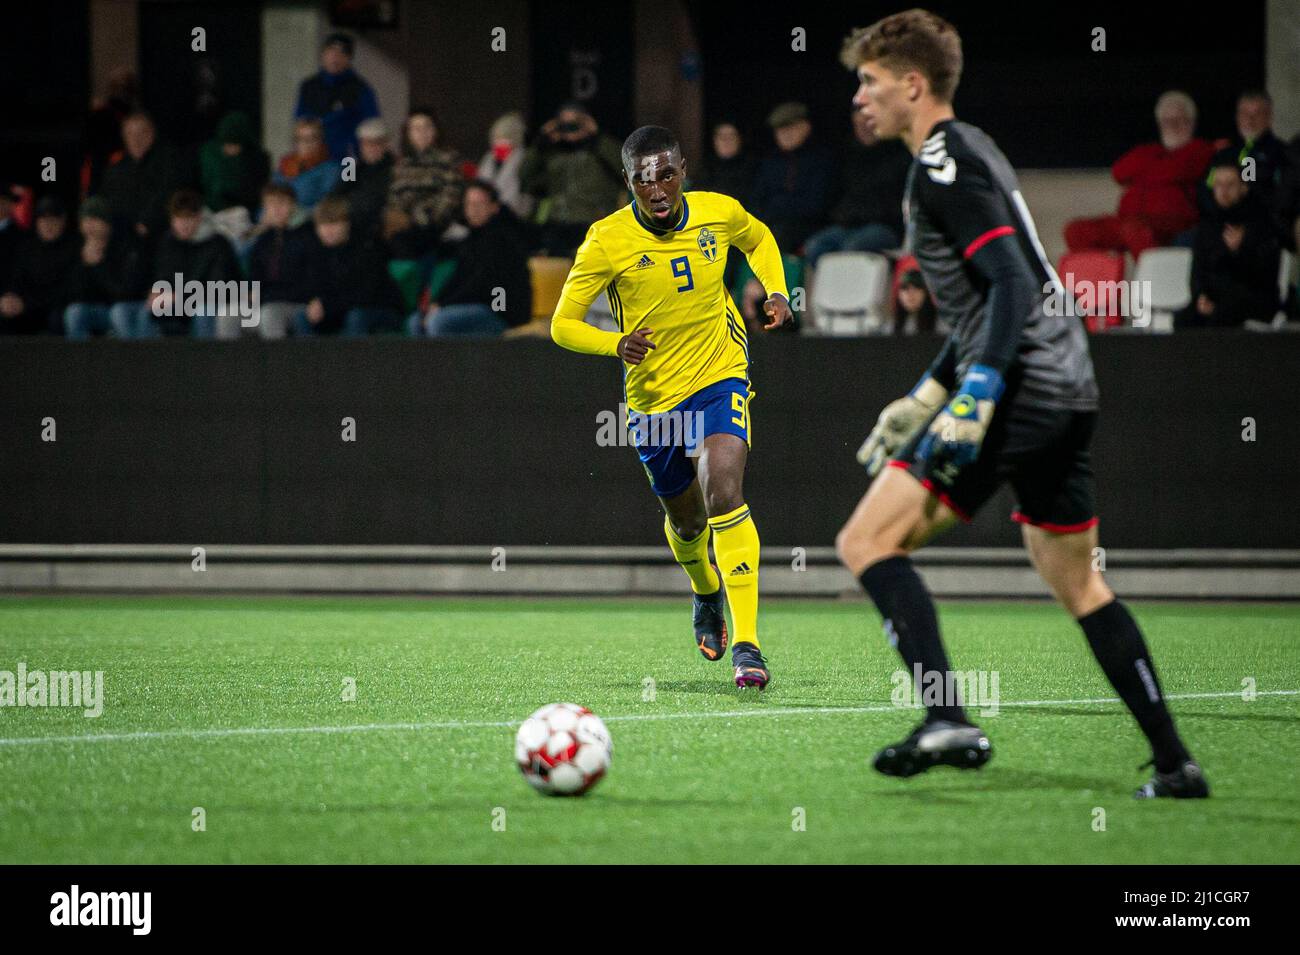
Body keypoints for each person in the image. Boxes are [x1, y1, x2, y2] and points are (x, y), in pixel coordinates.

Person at [837, 10, 1206, 798]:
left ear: (912, 83)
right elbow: (995, 296)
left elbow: (1009, 280)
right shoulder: (972, 152)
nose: (859, 99)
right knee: (1078, 582)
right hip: (1066, 388)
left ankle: (946, 715)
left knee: (867, 539)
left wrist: (978, 389)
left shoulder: (941, 159)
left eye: (869, 82)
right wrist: (927, 393)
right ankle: (1176, 763)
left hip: (1022, 388)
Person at [549, 125, 793, 689]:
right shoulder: (605, 241)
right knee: (686, 522)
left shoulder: (717, 212)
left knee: (724, 490)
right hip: (653, 398)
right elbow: (562, 324)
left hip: (719, 374)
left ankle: (749, 645)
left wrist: (775, 289)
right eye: (642, 178)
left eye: (665, 173)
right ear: (629, 182)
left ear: (683, 170)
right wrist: (614, 343)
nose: (655, 188)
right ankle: (705, 589)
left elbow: (757, 238)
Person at [1064, 91, 1216, 260]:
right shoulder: (1149, 151)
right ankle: (1099, 282)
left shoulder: (1200, 149)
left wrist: (1145, 170)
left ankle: (1156, 280)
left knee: (1135, 230)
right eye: (1167, 121)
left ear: (1191, 123)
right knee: (1075, 231)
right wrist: (1155, 166)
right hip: (1128, 221)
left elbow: (1175, 171)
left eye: (1178, 120)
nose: (1172, 126)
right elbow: (1119, 172)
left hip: (1171, 224)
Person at [411, 180, 531, 337]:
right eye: (469, 204)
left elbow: (483, 284)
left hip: (500, 312)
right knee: (416, 321)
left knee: (439, 322)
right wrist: (437, 303)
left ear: (494, 207)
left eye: (479, 204)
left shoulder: (502, 240)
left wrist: (443, 305)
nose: (473, 210)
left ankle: (445, 362)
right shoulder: (471, 239)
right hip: (473, 307)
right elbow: (458, 278)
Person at [1178, 158, 1281, 328]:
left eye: (1230, 184)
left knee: (1222, 316)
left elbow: (1264, 275)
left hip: (1253, 299)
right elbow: (1198, 270)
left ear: (1243, 187)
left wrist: (1240, 250)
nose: (1223, 190)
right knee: (1184, 319)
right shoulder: (1207, 226)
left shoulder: (1260, 223)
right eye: (1218, 184)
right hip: (1215, 297)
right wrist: (1201, 296)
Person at [803, 108, 912, 265]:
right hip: (847, 226)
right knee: (815, 246)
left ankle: (846, 290)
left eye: (867, 124)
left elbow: (898, 204)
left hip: (884, 227)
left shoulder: (898, 156)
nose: (864, 129)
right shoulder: (848, 156)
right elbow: (835, 197)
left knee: (852, 248)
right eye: (858, 125)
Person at [131, 188, 241, 338]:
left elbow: (221, 288)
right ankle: (147, 361)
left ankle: (208, 360)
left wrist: (179, 297)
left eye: (188, 218)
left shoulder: (218, 243)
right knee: (145, 312)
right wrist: (156, 292)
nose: (183, 224)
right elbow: (162, 277)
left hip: (212, 301)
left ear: (199, 217)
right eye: (178, 218)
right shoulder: (168, 243)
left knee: (204, 312)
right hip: (180, 303)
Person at [520, 102, 626, 255]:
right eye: (565, 124)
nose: (570, 129)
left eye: (575, 123)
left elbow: (624, 166)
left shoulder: (601, 149)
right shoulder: (552, 153)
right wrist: (540, 143)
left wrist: (597, 137)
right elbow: (524, 177)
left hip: (593, 222)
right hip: (557, 223)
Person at [295, 197, 403, 337]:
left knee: (356, 317)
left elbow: (366, 294)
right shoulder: (318, 252)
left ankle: (352, 359)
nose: (328, 230)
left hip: (381, 309)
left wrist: (327, 305)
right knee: (303, 317)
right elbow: (315, 286)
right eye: (322, 225)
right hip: (340, 309)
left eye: (333, 223)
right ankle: (310, 359)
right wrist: (316, 302)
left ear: (347, 224)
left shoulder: (367, 247)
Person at [62, 196, 147, 339]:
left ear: (107, 223)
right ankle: (79, 360)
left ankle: (133, 359)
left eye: (94, 220)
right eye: (85, 221)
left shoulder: (126, 246)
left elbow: (124, 293)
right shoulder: (79, 247)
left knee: (118, 312)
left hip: (127, 308)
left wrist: (99, 265)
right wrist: (84, 266)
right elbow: (73, 294)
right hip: (99, 311)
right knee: (74, 312)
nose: (89, 226)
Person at [384, 107, 464, 258]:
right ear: (408, 134)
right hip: (403, 225)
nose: (422, 133)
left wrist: (415, 218)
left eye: (427, 127)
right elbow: (393, 198)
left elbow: (449, 200)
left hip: (434, 225)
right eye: (416, 128)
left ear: (435, 130)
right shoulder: (402, 164)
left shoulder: (448, 160)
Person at [241, 183, 314, 339]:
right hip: (267, 301)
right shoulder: (263, 239)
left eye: (281, 203)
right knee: (229, 315)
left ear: (293, 205)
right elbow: (255, 277)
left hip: (297, 304)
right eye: (270, 204)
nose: (276, 209)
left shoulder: (308, 235)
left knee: (270, 313)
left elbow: (310, 282)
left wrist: (266, 297)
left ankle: (277, 363)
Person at [293, 32, 380, 161]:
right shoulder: (309, 86)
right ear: (323, 55)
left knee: (349, 180)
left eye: (341, 54)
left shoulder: (360, 89)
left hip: (348, 159)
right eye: (331, 52)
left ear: (348, 58)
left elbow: (372, 126)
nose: (335, 58)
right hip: (314, 159)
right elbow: (300, 121)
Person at [0, 196, 79, 335]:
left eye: (53, 219)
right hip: (26, 307)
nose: (48, 225)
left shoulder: (74, 249)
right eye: (43, 219)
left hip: (53, 308)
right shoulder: (27, 248)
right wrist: (10, 298)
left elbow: (68, 291)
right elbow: (17, 280)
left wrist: (28, 304)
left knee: (58, 317)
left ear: (63, 221)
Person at [330, 117, 394, 240]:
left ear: (385, 145)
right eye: (367, 143)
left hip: (376, 231)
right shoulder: (352, 165)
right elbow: (335, 196)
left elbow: (375, 201)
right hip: (348, 226)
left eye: (377, 143)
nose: (372, 148)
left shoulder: (393, 168)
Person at [475, 112, 535, 221]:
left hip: (514, 215)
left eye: (505, 137)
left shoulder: (524, 159)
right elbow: (480, 183)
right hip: (486, 214)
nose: (499, 142)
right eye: (496, 137)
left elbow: (526, 194)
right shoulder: (488, 158)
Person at [273, 118, 339, 212]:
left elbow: (327, 206)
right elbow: (270, 198)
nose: (307, 143)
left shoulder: (331, 169)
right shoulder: (285, 165)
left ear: (321, 140)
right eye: (301, 139)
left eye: (313, 138)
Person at [892, 268, 938, 335]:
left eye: (917, 287)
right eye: (905, 287)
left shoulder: (941, 325)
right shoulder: (888, 328)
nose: (910, 293)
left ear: (926, 293)